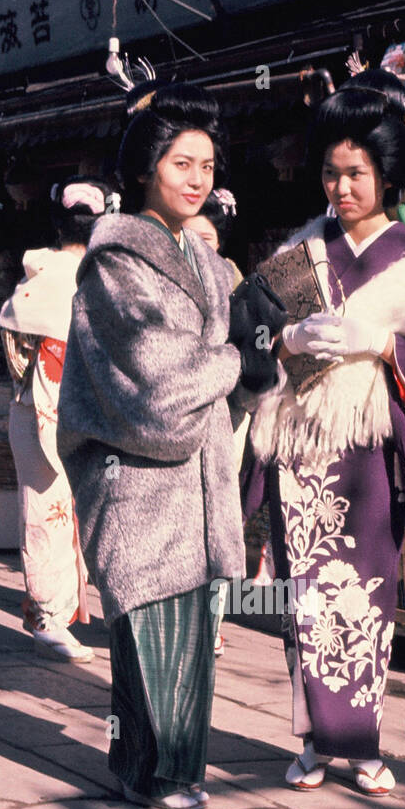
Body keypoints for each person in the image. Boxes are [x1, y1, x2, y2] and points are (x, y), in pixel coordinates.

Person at [57, 82, 280, 809]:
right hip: (140, 478)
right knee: (150, 632)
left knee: (187, 636)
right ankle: (154, 771)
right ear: (148, 166)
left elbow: (230, 383)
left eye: (208, 166)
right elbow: (149, 376)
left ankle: (162, 768)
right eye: (183, 162)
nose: (197, 178)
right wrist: (231, 361)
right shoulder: (115, 263)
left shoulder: (215, 268)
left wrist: (259, 364)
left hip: (199, 477)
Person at [244, 84, 405, 795]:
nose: (341, 188)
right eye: (332, 173)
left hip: (367, 451)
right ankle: (311, 742)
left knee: (365, 595)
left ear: (387, 176)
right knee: (302, 597)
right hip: (301, 449)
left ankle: (363, 744)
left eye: (356, 173)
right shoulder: (301, 249)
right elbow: (250, 340)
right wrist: (284, 338)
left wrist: (383, 344)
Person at [0, 178, 119, 661]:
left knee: (52, 514)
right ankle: (49, 616)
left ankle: (59, 613)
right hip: (55, 411)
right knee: (52, 513)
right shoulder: (87, 280)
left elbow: (15, 348)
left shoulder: (34, 278)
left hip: (33, 406)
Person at [186, 187, 244, 657]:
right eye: (193, 235)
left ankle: (213, 620)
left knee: (220, 516)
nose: (203, 246)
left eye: (210, 237)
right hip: (180, 410)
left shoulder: (231, 279)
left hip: (225, 410)